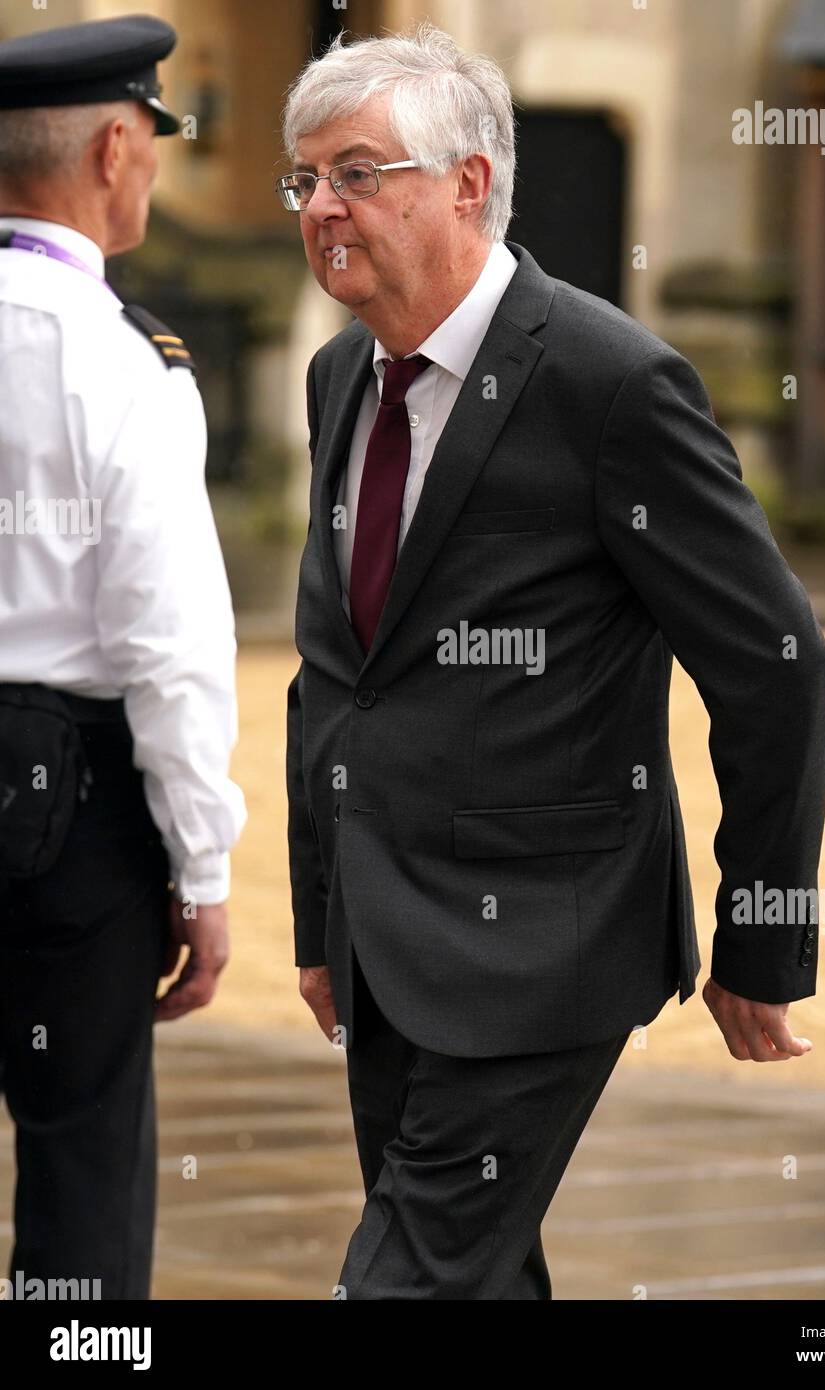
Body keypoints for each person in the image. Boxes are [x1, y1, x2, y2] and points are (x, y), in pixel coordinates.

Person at [282, 21, 825, 1300]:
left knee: (403, 1283)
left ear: (467, 181)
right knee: (472, 1274)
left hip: (543, 947)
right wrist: (322, 915)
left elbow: (776, 657)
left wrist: (766, 932)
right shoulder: (338, 380)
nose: (320, 206)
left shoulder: (613, 382)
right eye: (304, 179)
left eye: (356, 173)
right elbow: (336, 676)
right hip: (383, 942)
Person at [0, 15, 246, 1299]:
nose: (149, 164)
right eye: (151, 138)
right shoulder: (124, 364)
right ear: (111, 146)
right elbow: (172, 645)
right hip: (66, 802)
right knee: (83, 1162)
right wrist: (202, 865)